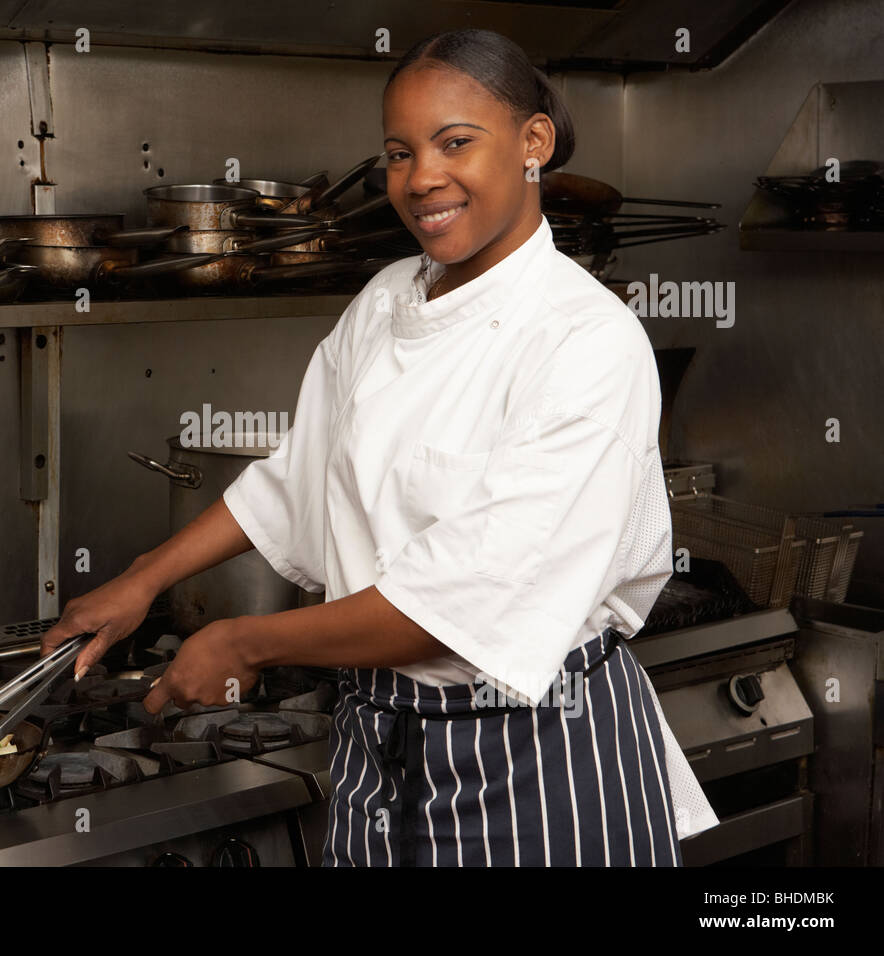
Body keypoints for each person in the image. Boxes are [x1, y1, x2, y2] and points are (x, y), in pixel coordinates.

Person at [42, 27, 718, 866]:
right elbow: (297, 480)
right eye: (399, 153)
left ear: (533, 143)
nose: (421, 178)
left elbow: (464, 602)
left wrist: (248, 641)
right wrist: (140, 582)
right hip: (379, 738)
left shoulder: (586, 341)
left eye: (455, 143)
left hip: (537, 749)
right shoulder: (384, 300)